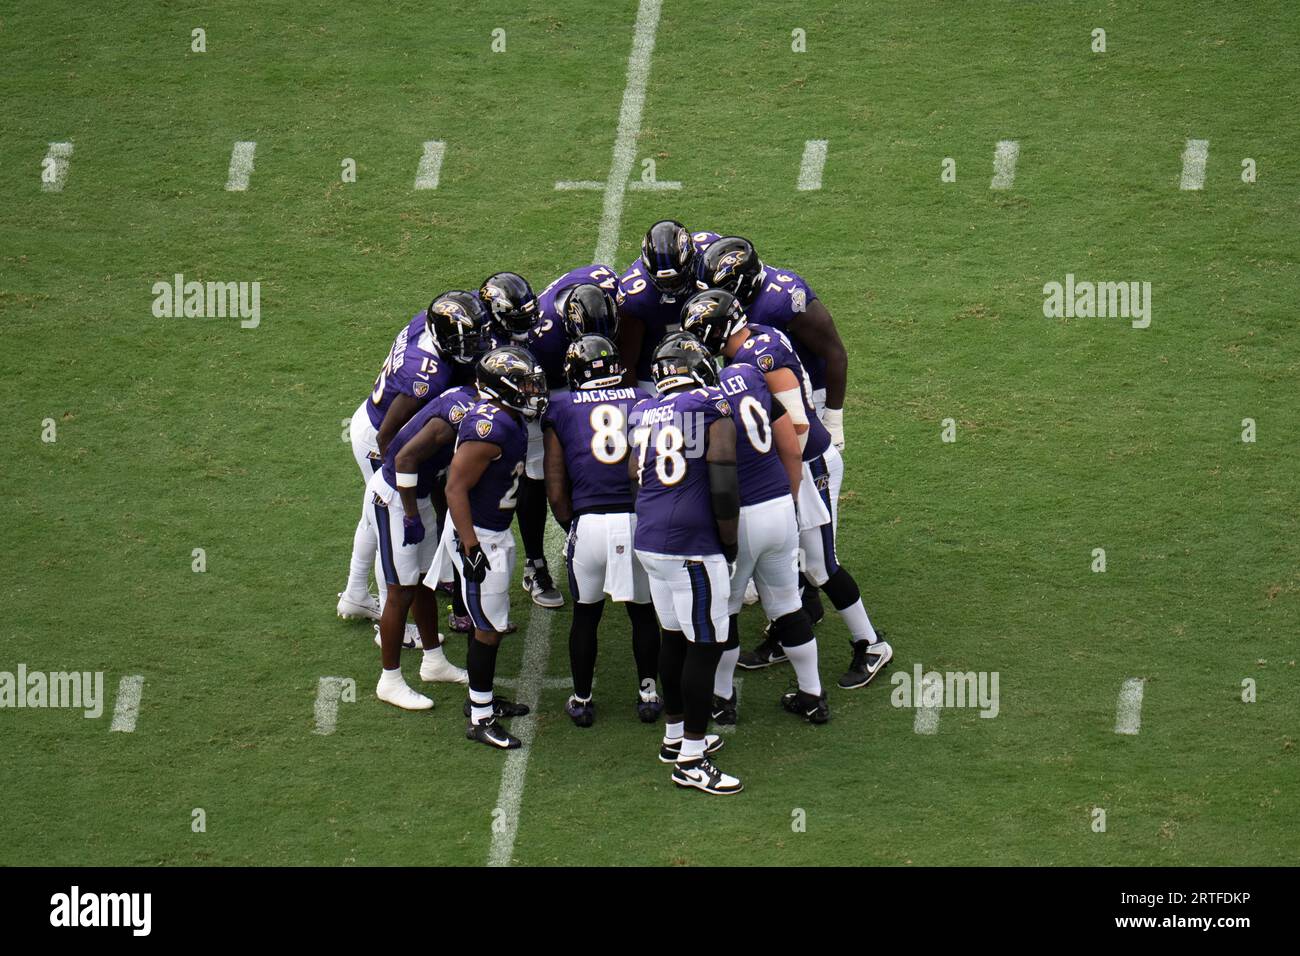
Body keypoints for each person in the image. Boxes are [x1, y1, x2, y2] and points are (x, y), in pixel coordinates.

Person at [680, 290, 893, 692]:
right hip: (792, 467)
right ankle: (788, 630)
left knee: (819, 563)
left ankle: (871, 642)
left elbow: (795, 429)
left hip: (809, 466)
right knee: (784, 561)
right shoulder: (759, 338)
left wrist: (787, 493)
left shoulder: (758, 358)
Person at [629, 334, 740, 795]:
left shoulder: (640, 412)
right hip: (691, 543)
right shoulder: (712, 406)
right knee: (707, 644)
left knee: (673, 636)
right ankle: (692, 759)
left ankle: (675, 737)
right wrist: (729, 543)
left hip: (649, 537)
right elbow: (722, 480)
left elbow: (632, 475)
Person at [425, 346, 548, 749]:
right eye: (526, 383)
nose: (533, 390)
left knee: (487, 622)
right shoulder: (489, 429)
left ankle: (482, 700)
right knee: (488, 628)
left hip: (492, 529)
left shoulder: (505, 418)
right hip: (480, 534)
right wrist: (471, 545)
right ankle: (480, 717)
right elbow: (454, 487)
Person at [541, 334, 659, 727]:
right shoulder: (642, 401)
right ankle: (648, 694)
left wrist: (572, 526)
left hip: (590, 525)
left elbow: (556, 491)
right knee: (643, 614)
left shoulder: (560, 408)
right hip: (637, 521)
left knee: (586, 616)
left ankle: (582, 699)